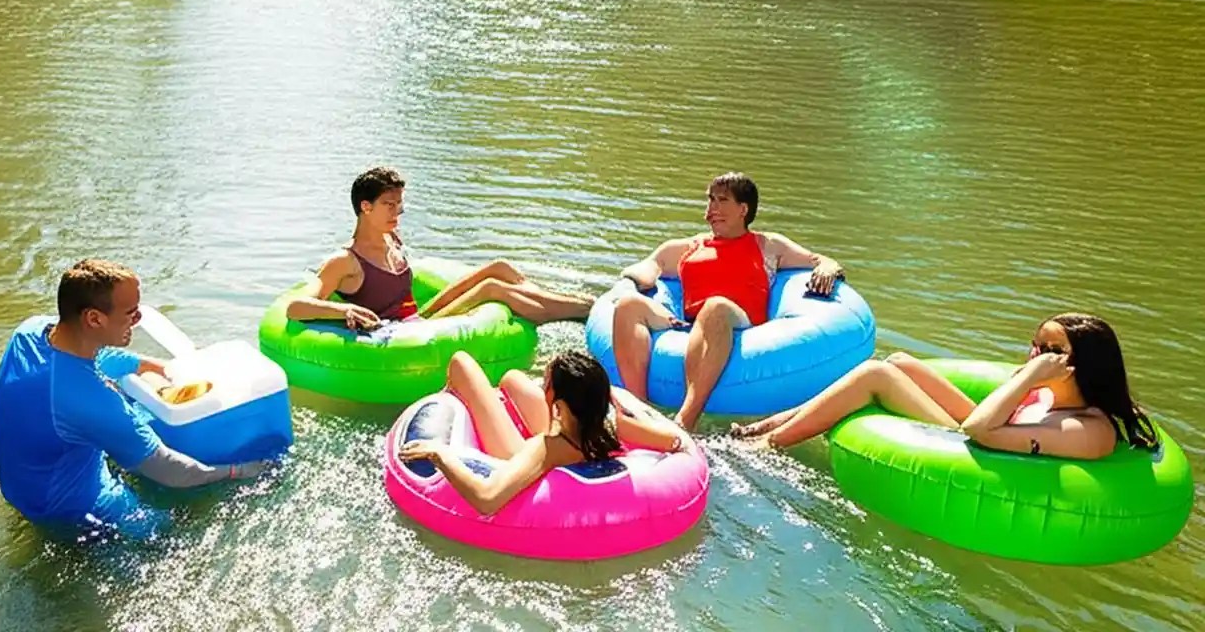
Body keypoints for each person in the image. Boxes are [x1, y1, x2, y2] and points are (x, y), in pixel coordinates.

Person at [0, 259, 275, 536]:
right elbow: (171, 471)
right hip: (72, 510)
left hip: (23, 488)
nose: (138, 320)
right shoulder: (91, 403)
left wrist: (157, 368)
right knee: (169, 533)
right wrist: (238, 471)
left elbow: (96, 357)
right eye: (131, 313)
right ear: (94, 318)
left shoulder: (30, 332)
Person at [731, 313, 1158, 459]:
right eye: (1035, 344)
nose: (1035, 355)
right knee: (898, 362)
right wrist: (1032, 378)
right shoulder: (1050, 391)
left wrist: (1029, 376)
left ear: (1077, 364)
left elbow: (980, 430)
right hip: (976, 430)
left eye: (1049, 349)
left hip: (972, 448)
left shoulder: (1092, 430)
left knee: (876, 376)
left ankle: (769, 444)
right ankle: (767, 424)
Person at [611, 172, 846, 431]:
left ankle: (685, 420)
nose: (711, 209)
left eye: (721, 201)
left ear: (743, 209)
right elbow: (650, 265)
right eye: (710, 200)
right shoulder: (691, 246)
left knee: (716, 306)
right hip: (687, 325)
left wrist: (828, 266)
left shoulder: (768, 245)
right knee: (627, 306)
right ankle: (640, 411)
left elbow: (818, 260)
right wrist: (639, 279)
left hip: (740, 324)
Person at [285, 166, 593, 329]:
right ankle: (579, 313)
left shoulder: (391, 237)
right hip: (402, 332)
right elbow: (296, 308)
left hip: (417, 315)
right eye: (389, 205)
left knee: (499, 267)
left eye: (399, 204)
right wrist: (345, 310)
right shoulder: (345, 261)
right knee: (491, 288)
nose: (398, 212)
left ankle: (567, 301)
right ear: (365, 207)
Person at [398, 350, 691, 516]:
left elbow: (486, 500)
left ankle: (450, 394)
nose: (543, 389)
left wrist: (440, 454)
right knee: (512, 379)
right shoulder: (608, 427)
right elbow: (673, 441)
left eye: (546, 385)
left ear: (559, 405)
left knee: (461, 363)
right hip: (577, 440)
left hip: (517, 457)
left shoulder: (544, 448)